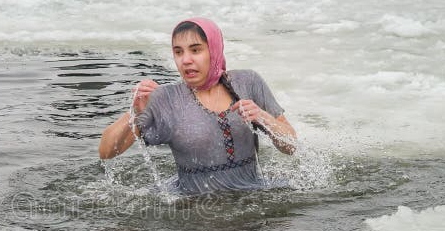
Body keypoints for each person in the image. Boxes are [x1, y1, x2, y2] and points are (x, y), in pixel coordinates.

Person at [98, 17, 296, 194]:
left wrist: (263, 117)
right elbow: (106, 152)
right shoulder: (166, 99)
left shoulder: (248, 82)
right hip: (194, 208)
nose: (186, 60)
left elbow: (291, 146)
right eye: (178, 52)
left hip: (252, 196)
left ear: (215, 50)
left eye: (195, 50)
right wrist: (134, 112)